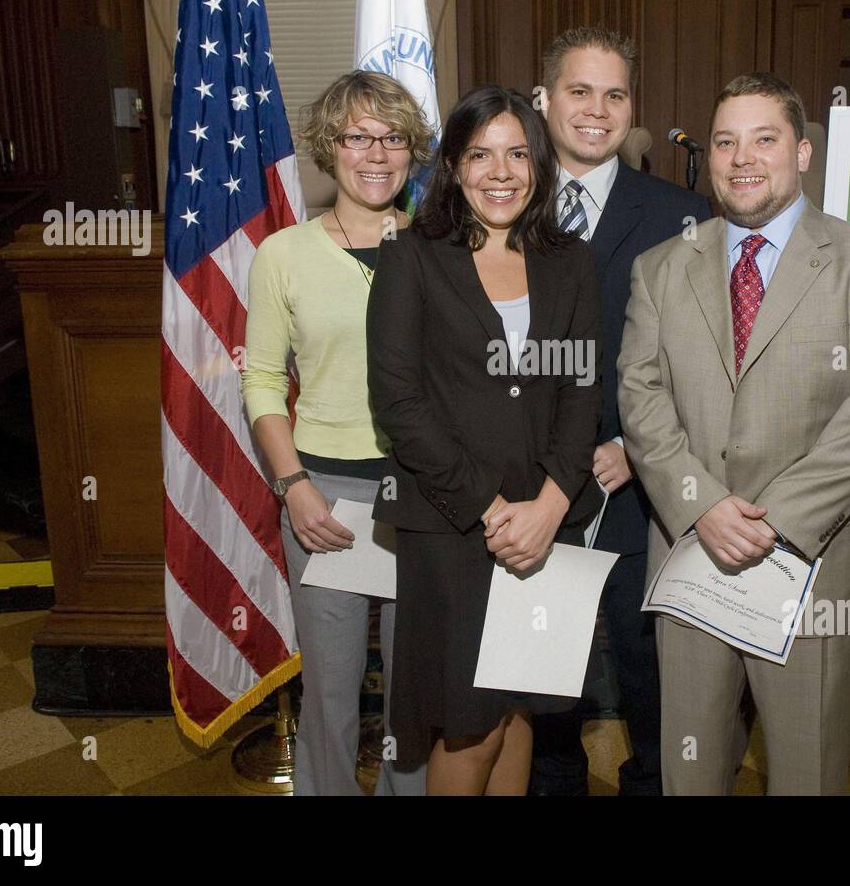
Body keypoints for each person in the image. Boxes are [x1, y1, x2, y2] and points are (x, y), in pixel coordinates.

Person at [617, 73, 850, 795]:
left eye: (765, 139)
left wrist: (773, 522)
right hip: (692, 555)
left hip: (817, 566)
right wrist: (704, 506)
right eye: (725, 141)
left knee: (806, 772)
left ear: (804, 152)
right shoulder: (660, 269)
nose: (741, 158)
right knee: (689, 771)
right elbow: (640, 394)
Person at [366, 85, 602, 795]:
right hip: (452, 525)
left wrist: (553, 503)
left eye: (517, 154)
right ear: (454, 167)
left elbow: (581, 391)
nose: (500, 172)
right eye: (480, 154)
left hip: (545, 518)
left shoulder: (569, 261)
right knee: (469, 724)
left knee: (517, 705)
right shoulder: (411, 257)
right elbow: (399, 404)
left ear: (538, 166)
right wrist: (494, 509)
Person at [241, 70, 433, 796]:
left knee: (415, 692)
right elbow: (260, 381)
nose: (376, 153)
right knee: (329, 686)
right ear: (331, 147)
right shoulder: (282, 255)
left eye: (392, 137)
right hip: (325, 496)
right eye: (358, 136)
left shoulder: (444, 248)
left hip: (424, 494)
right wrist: (293, 487)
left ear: (412, 151)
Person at [530, 27, 710, 796]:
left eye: (615, 94)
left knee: (649, 672)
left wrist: (641, 448)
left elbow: (708, 360)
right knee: (543, 677)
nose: (597, 110)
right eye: (579, 91)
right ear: (544, 100)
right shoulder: (497, 196)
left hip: (640, 491)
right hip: (528, 489)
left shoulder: (682, 215)